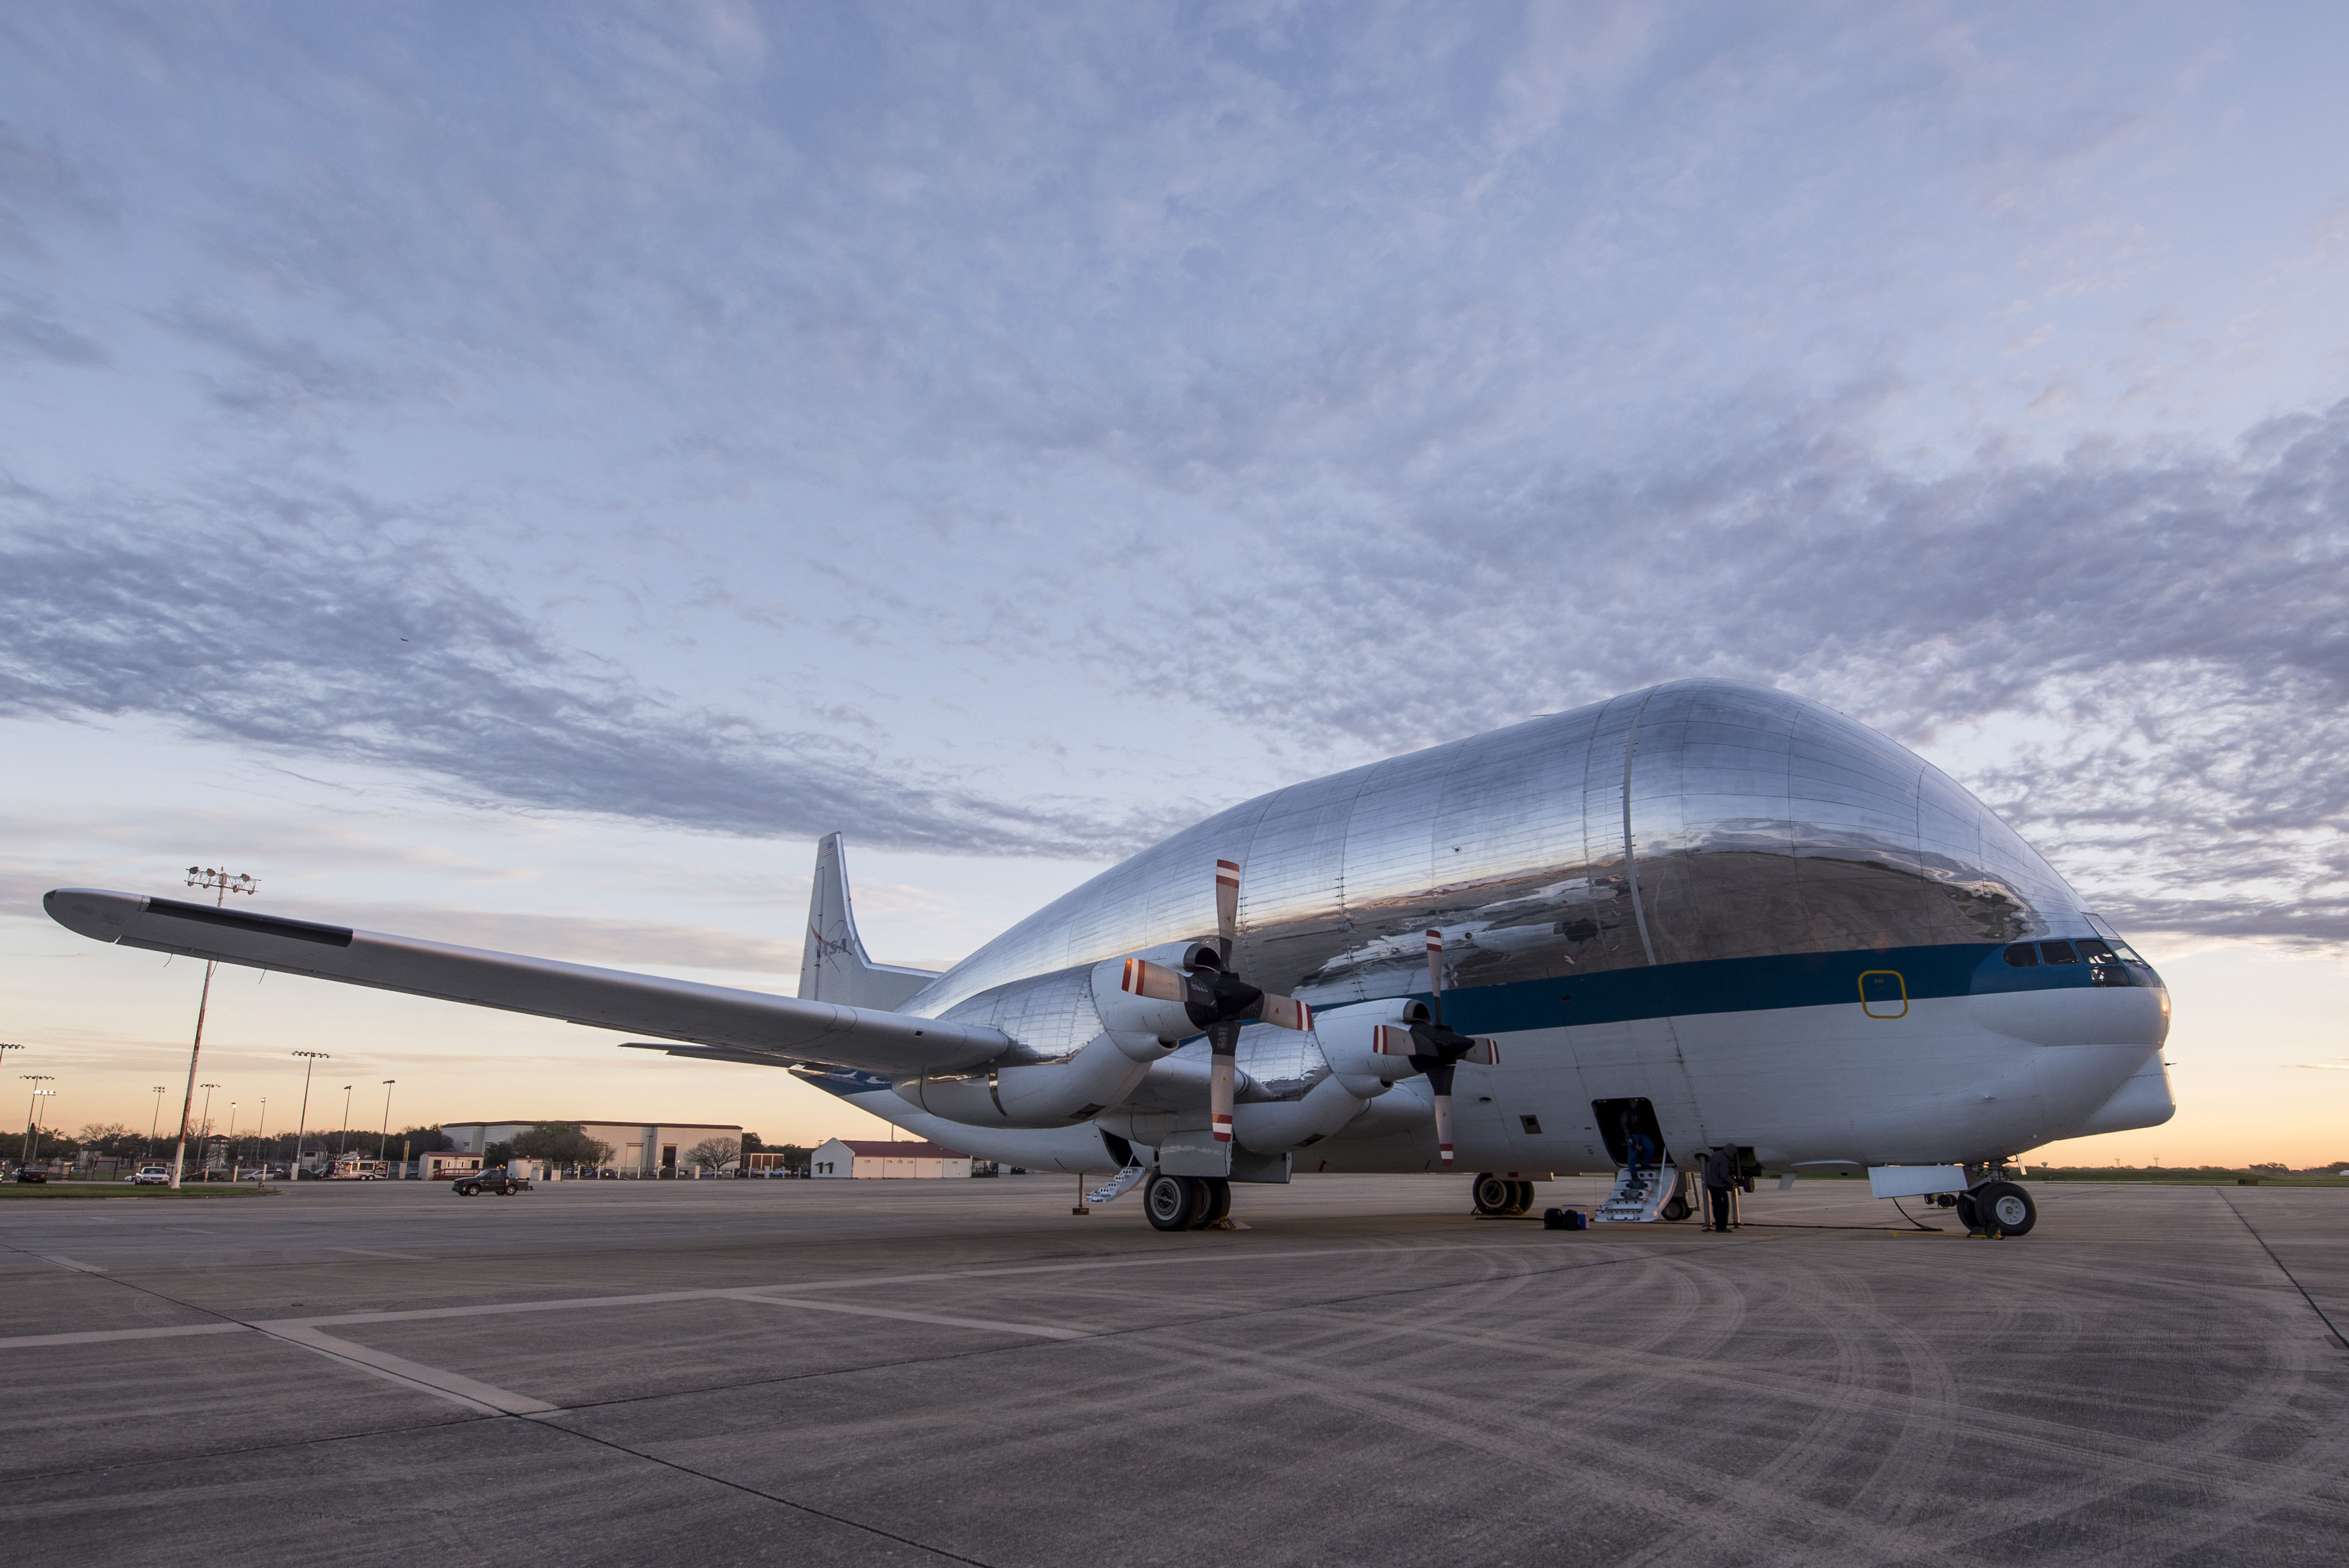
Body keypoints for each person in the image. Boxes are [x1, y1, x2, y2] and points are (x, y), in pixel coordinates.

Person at [1620, 1107, 1657, 1189]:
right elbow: (1625, 1125)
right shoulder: (1627, 1112)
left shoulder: (1640, 1110)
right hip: (1633, 1135)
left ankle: (1645, 1164)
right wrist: (1629, 1137)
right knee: (1633, 1155)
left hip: (1641, 1134)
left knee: (1651, 1147)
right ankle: (1634, 1174)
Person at [1704, 1144, 1738, 1231]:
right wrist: (1733, 1182)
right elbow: (1724, 1175)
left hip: (1711, 1184)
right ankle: (1722, 1227)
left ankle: (1718, 1223)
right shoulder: (1724, 1159)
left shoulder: (1715, 1154)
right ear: (1730, 1153)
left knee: (1716, 1205)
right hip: (1718, 1185)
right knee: (1723, 1207)